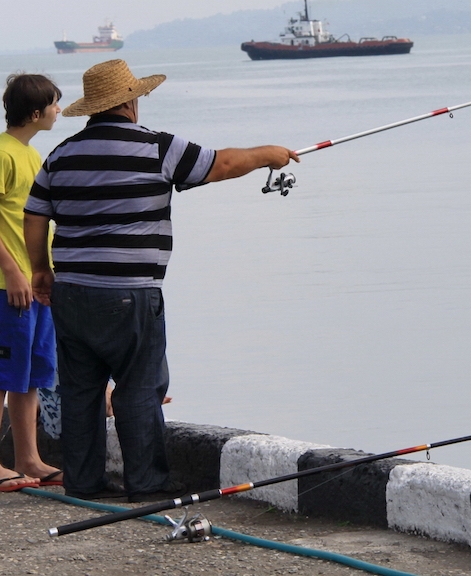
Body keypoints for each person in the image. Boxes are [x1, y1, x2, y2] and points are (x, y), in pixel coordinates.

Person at [23, 59, 298, 501]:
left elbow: (34, 216)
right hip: (132, 295)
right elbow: (222, 164)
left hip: (71, 294)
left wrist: (41, 270)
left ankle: (85, 483)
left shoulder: (61, 155)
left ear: (93, 108)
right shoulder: (157, 147)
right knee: (139, 388)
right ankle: (146, 485)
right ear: (130, 101)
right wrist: (269, 153)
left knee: (80, 392)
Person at [0, 73, 64, 493]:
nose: (60, 111)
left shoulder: (31, 154)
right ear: (36, 112)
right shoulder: (0, 153)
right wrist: (10, 271)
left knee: (31, 375)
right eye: (56, 105)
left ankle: (29, 459)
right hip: (9, 286)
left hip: (36, 285)